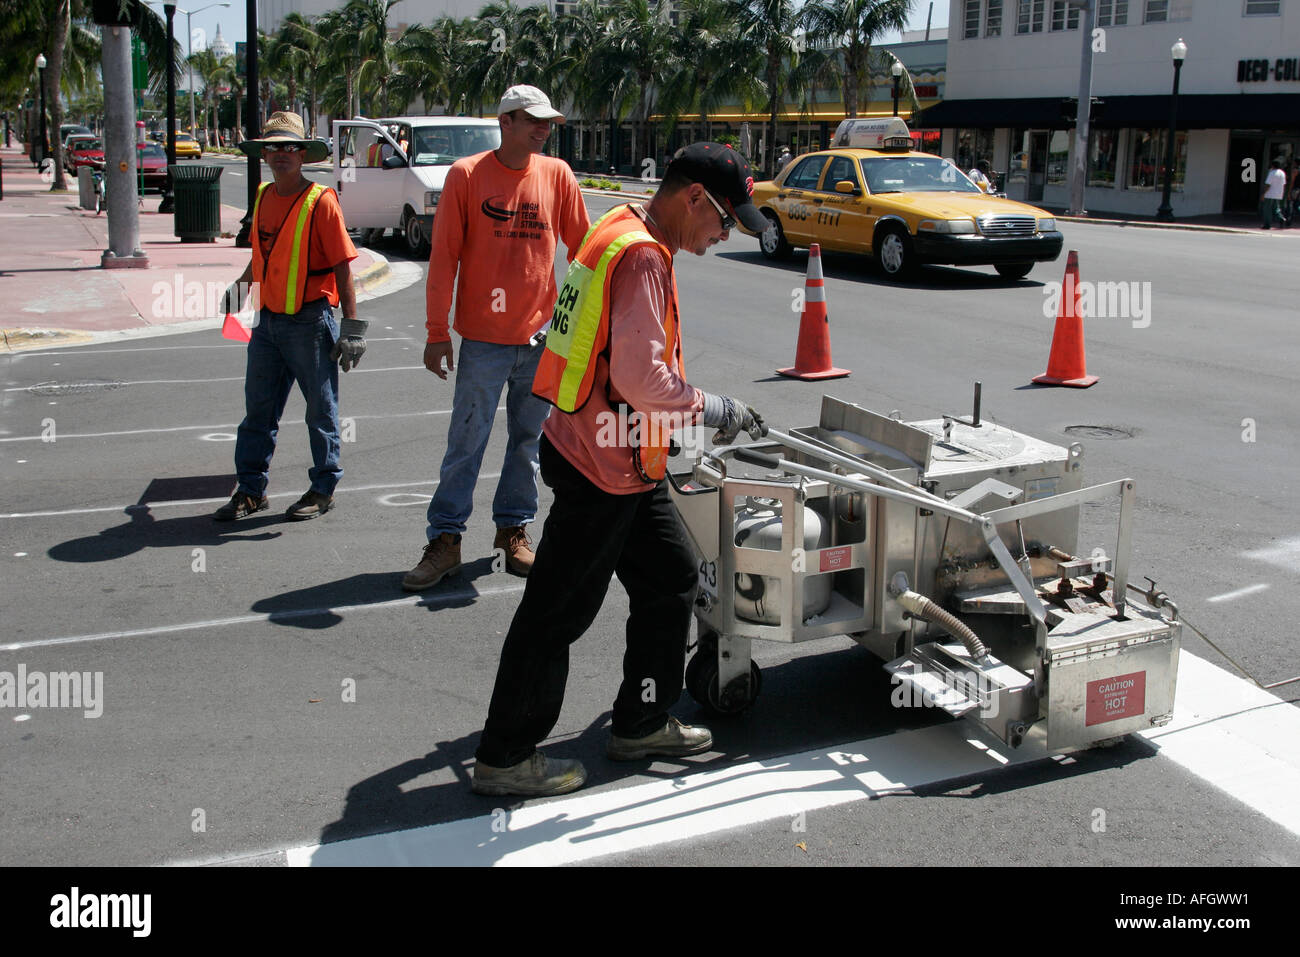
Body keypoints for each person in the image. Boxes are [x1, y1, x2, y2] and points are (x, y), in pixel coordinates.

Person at [470, 142, 770, 797]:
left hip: (613, 454)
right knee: (556, 610)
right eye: (723, 221)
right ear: (694, 196)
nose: (723, 236)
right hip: (601, 464)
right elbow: (639, 375)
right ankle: (505, 755)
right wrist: (716, 408)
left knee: (671, 577)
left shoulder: (618, 226)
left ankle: (641, 720)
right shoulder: (640, 255)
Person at [402, 85, 590, 590]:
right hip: (483, 341)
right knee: (467, 442)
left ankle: (512, 530)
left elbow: (585, 254)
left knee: (528, 443)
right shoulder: (467, 175)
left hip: (542, 337)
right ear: (505, 121)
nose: (543, 129)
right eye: (533, 120)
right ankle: (445, 541)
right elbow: (443, 258)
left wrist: (586, 328)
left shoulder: (557, 175)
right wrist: (436, 332)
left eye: (548, 121)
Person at [214, 112, 366, 522]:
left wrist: (352, 329)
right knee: (258, 413)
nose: (281, 154)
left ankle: (323, 487)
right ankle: (251, 490)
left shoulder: (322, 202)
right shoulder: (264, 195)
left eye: (290, 146)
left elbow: (343, 269)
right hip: (267, 324)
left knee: (320, 411)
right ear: (264, 153)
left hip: (310, 322)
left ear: (303, 154)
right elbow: (261, 257)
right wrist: (240, 291)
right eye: (274, 146)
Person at [1260, 158, 1287, 229]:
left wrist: (1263, 193)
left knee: (1267, 209)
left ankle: (1267, 224)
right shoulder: (1282, 173)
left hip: (1270, 194)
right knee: (1276, 208)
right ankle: (1281, 218)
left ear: (1272, 165)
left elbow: (1268, 184)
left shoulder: (1272, 173)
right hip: (1278, 194)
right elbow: (1284, 184)